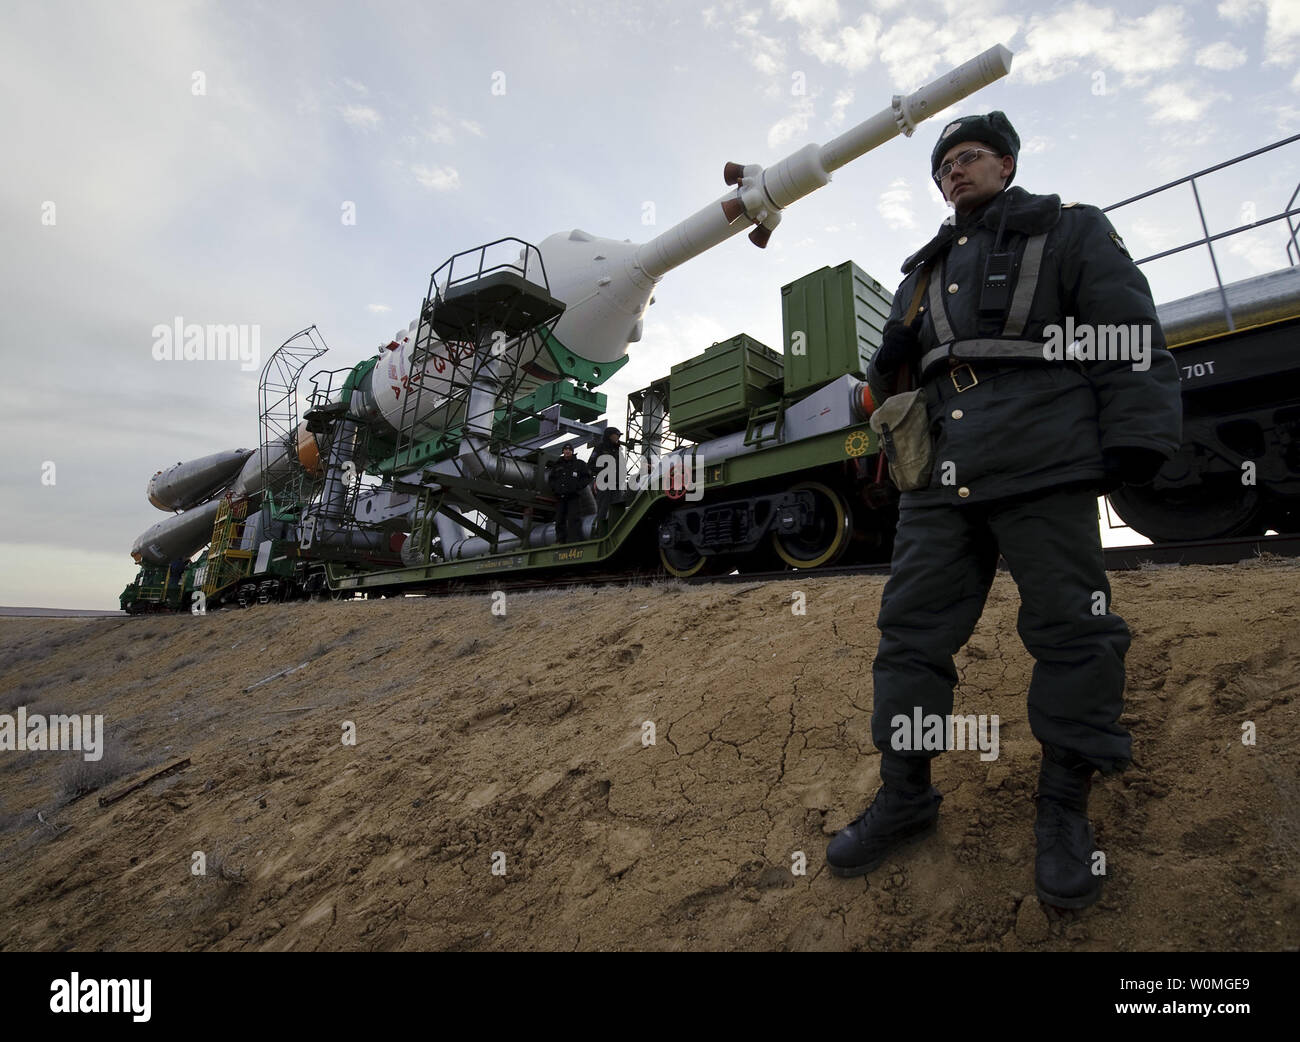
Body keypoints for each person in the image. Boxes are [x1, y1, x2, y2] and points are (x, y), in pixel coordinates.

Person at [825, 111, 1183, 910]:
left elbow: (1125, 327)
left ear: (1007, 164)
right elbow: (894, 383)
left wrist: (1136, 433)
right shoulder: (922, 272)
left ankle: (1063, 810)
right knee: (911, 637)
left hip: (1043, 456)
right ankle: (906, 794)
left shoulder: (1067, 229)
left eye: (970, 156)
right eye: (944, 164)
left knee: (1073, 632)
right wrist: (888, 381)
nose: (956, 170)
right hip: (939, 475)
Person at [546, 444, 590, 543]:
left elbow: (587, 477)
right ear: (563, 451)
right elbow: (551, 479)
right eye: (566, 449)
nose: (567, 451)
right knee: (559, 520)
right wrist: (556, 489)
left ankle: (574, 540)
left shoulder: (579, 464)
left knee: (573, 519)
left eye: (569, 450)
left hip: (573, 497)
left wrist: (577, 487)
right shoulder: (557, 465)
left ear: (572, 451)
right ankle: (560, 540)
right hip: (560, 498)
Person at [590, 427, 624, 533]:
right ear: (609, 435)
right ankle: (600, 532)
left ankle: (614, 533)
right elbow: (591, 465)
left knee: (617, 510)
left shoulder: (618, 450)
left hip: (617, 485)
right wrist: (604, 471)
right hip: (604, 483)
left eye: (619, 435)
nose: (618, 437)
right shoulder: (600, 448)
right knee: (603, 510)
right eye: (616, 435)